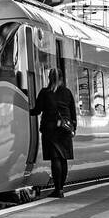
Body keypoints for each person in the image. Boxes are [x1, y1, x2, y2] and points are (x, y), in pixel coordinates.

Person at [30, 67, 77, 197]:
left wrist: (24, 108)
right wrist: (73, 129)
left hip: (50, 129)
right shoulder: (67, 92)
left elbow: (37, 110)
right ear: (62, 78)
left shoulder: (45, 93)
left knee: (55, 158)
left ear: (49, 78)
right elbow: (73, 112)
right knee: (63, 159)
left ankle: (58, 189)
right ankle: (61, 189)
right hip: (65, 129)